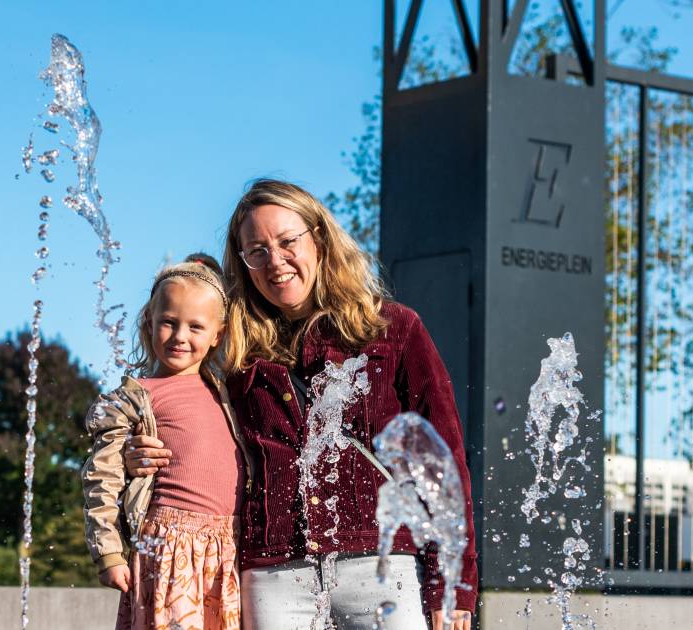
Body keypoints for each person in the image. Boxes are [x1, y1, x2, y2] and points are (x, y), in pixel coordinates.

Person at [126, 179, 478, 630]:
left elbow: (444, 462)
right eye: (257, 251)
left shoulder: (393, 329)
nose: (275, 261)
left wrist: (453, 582)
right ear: (243, 264)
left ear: (320, 239)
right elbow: (188, 427)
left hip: (383, 566)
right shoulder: (233, 355)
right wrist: (139, 454)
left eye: (287, 241)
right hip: (273, 576)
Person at [81, 258, 252, 630]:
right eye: (169, 322)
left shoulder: (228, 392)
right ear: (149, 322)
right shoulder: (136, 396)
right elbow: (101, 477)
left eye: (196, 326)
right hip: (169, 547)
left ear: (218, 335)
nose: (180, 337)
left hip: (230, 549)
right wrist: (108, 553)